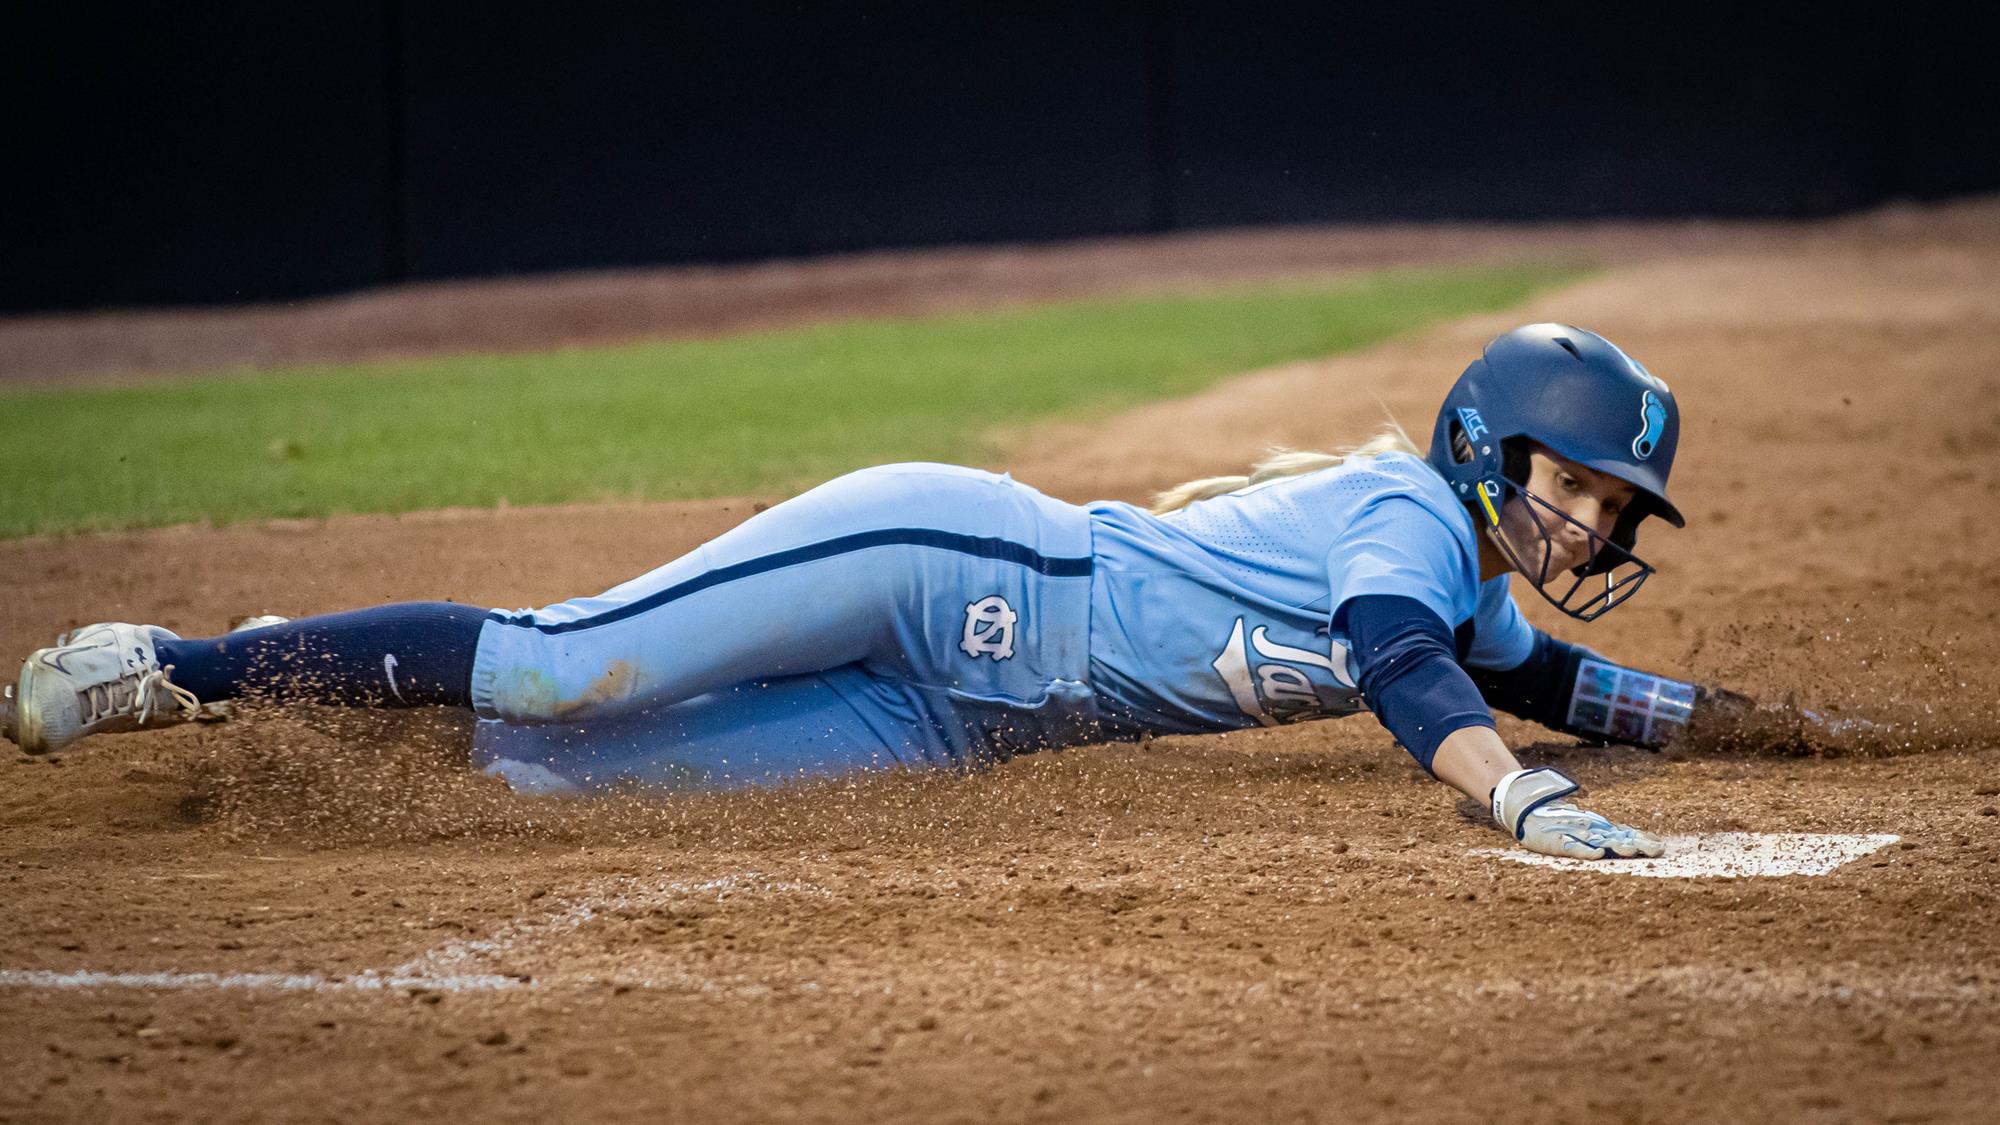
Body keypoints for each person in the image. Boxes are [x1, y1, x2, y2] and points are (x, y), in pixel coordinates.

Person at [4, 323, 1718, 860]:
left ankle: (305, 753)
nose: (1583, 526)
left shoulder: (1477, 582)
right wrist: (1517, 801)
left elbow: (1550, 680)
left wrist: (1793, 732)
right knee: (558, 675)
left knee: (569, 780)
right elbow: (1415, 675)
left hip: (951, 718)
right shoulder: (1408, 526)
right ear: (1490, 453)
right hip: (944, 564)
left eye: (1604, 506)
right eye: (1569, 484)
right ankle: (173, 661)